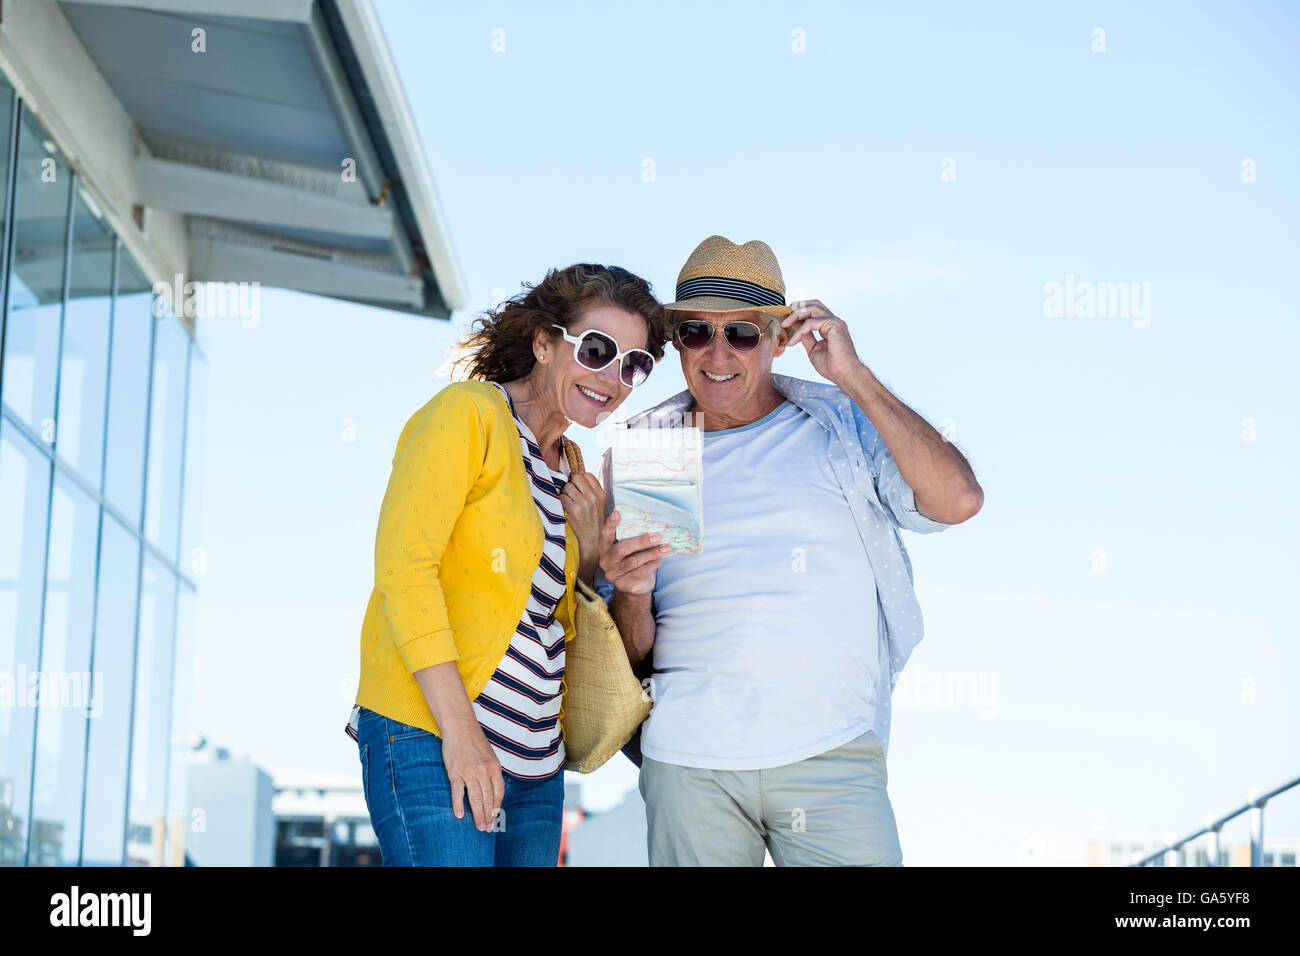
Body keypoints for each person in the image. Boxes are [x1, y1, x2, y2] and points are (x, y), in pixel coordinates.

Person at [596, 235, 984, 866]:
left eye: (742, 333)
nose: (718, 354)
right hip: (690, 766)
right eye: (697, 331)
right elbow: (634, 654)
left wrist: (853, 378)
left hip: (831, 757)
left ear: (779, 340)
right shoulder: (655, 452)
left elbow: (958, 500)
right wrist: (633, 595)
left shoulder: (839, 427)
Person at [347, 263, 670, 866]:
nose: (615, 378)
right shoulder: (467, 414)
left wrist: (593, 551)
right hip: (435, 737)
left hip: (538, 766)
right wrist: (462, 735)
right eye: (597, 350)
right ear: (544, 343)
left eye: (634, 364)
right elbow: (404, 569)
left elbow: (550, 617)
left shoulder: (575, 468)